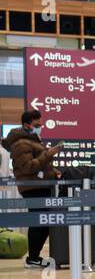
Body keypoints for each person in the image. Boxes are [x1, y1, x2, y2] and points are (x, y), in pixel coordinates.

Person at [5, 110, 61, 267]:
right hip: (32, 187)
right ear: (26, 125)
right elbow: (29, 167)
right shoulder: (20, 143)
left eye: (41, 124)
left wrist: (54, 172)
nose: (40, 127)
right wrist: (49, 153)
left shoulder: (33, 140)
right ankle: (33, 258)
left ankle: (34, 257)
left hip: (41, 185)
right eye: (37, 125)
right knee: (38, 221)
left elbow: (40, 166)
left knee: (45, 222)